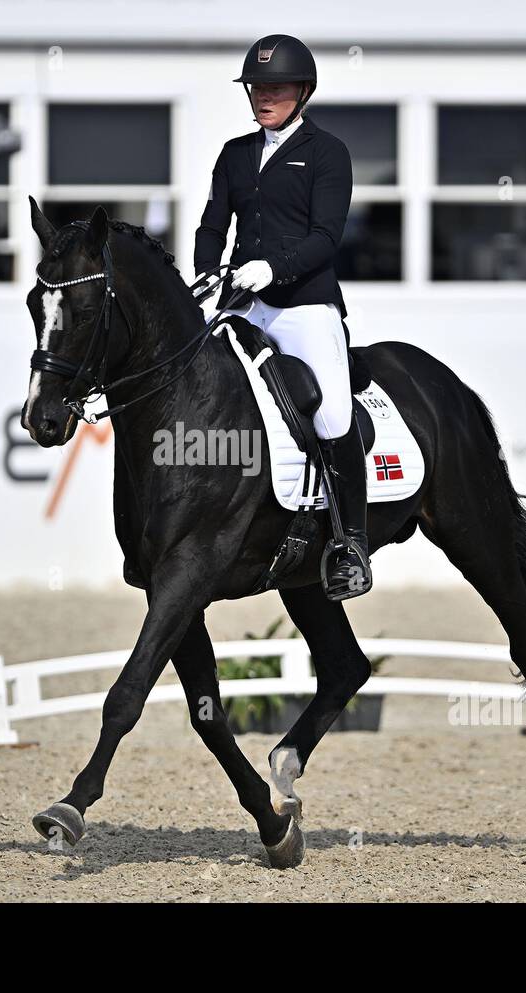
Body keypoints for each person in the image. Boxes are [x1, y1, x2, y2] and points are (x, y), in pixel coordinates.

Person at [193, 33, 370, 600]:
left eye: (276, 86)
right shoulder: (235, 154)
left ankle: (351, 546)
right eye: (257, 86)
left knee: (333, 417)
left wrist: (272, 269)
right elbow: (212, 225)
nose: (264, 95)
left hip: (303, 306)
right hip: (243, 302)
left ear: (303, 91)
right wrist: (206, 274)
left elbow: (327, 237)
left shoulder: (327, 153)